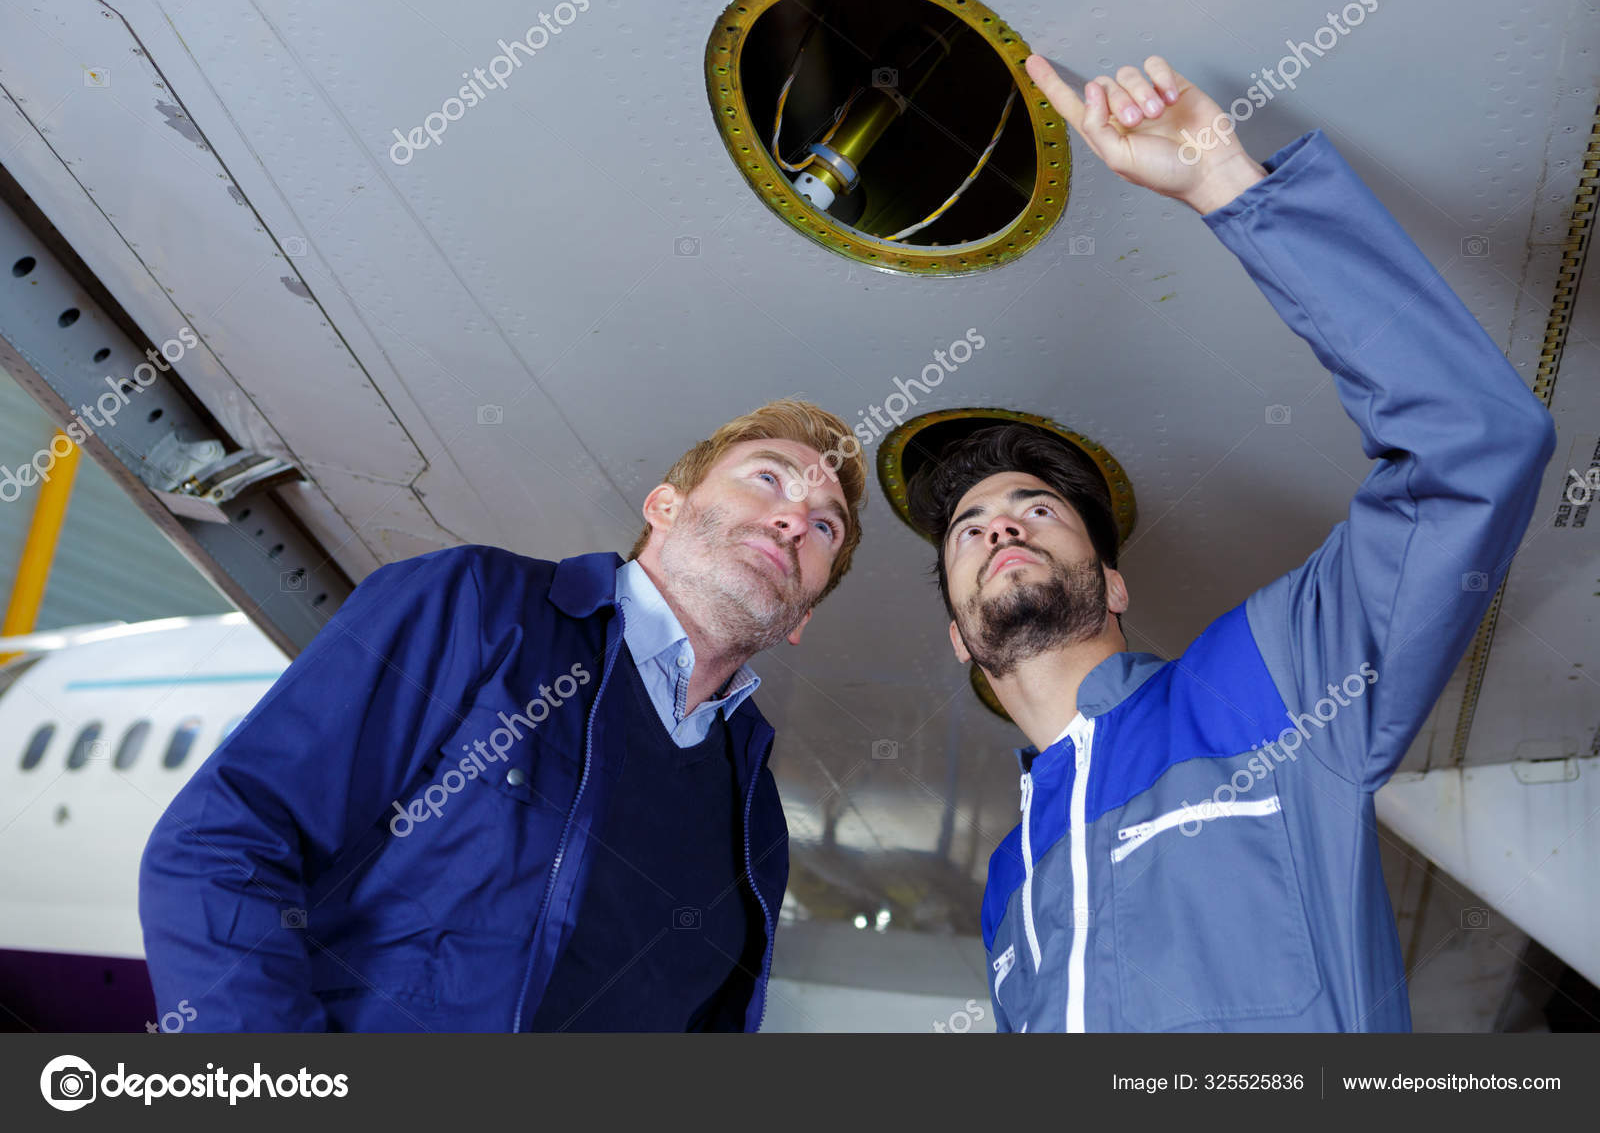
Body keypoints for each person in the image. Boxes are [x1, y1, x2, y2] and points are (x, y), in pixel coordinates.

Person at [905, 54, 1556, 1032]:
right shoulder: (1010, 881)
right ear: (960, 637)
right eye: (969, 529)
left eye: (1038, 509)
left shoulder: (1264, 684)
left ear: (1113, 585)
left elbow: (1473, 443)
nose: (1000, 523)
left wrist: (1224, 183)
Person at [139, 399, 866, 1031]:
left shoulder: (756, 817)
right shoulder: (479, 606)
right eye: (768, 479)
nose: (794, 520)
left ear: (802, 616)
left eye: (826, 528)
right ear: (664, 507)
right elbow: (219, 844)